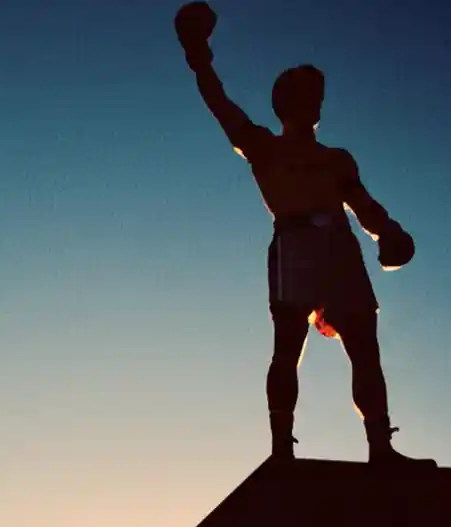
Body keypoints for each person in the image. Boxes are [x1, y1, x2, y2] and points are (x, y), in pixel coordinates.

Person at [174, 3, 432, 466]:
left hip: (339, 249)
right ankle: (280, 451)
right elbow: (219, 103)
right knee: (287, 349)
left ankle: (380, 447)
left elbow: (363, 205)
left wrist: (389, 232)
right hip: (294, 247)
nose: (315, 103)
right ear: (289, 104)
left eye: (317, 95)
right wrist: (199, 56)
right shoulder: (264, 147)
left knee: (366, 349)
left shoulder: (338, 159)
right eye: (307, 95)